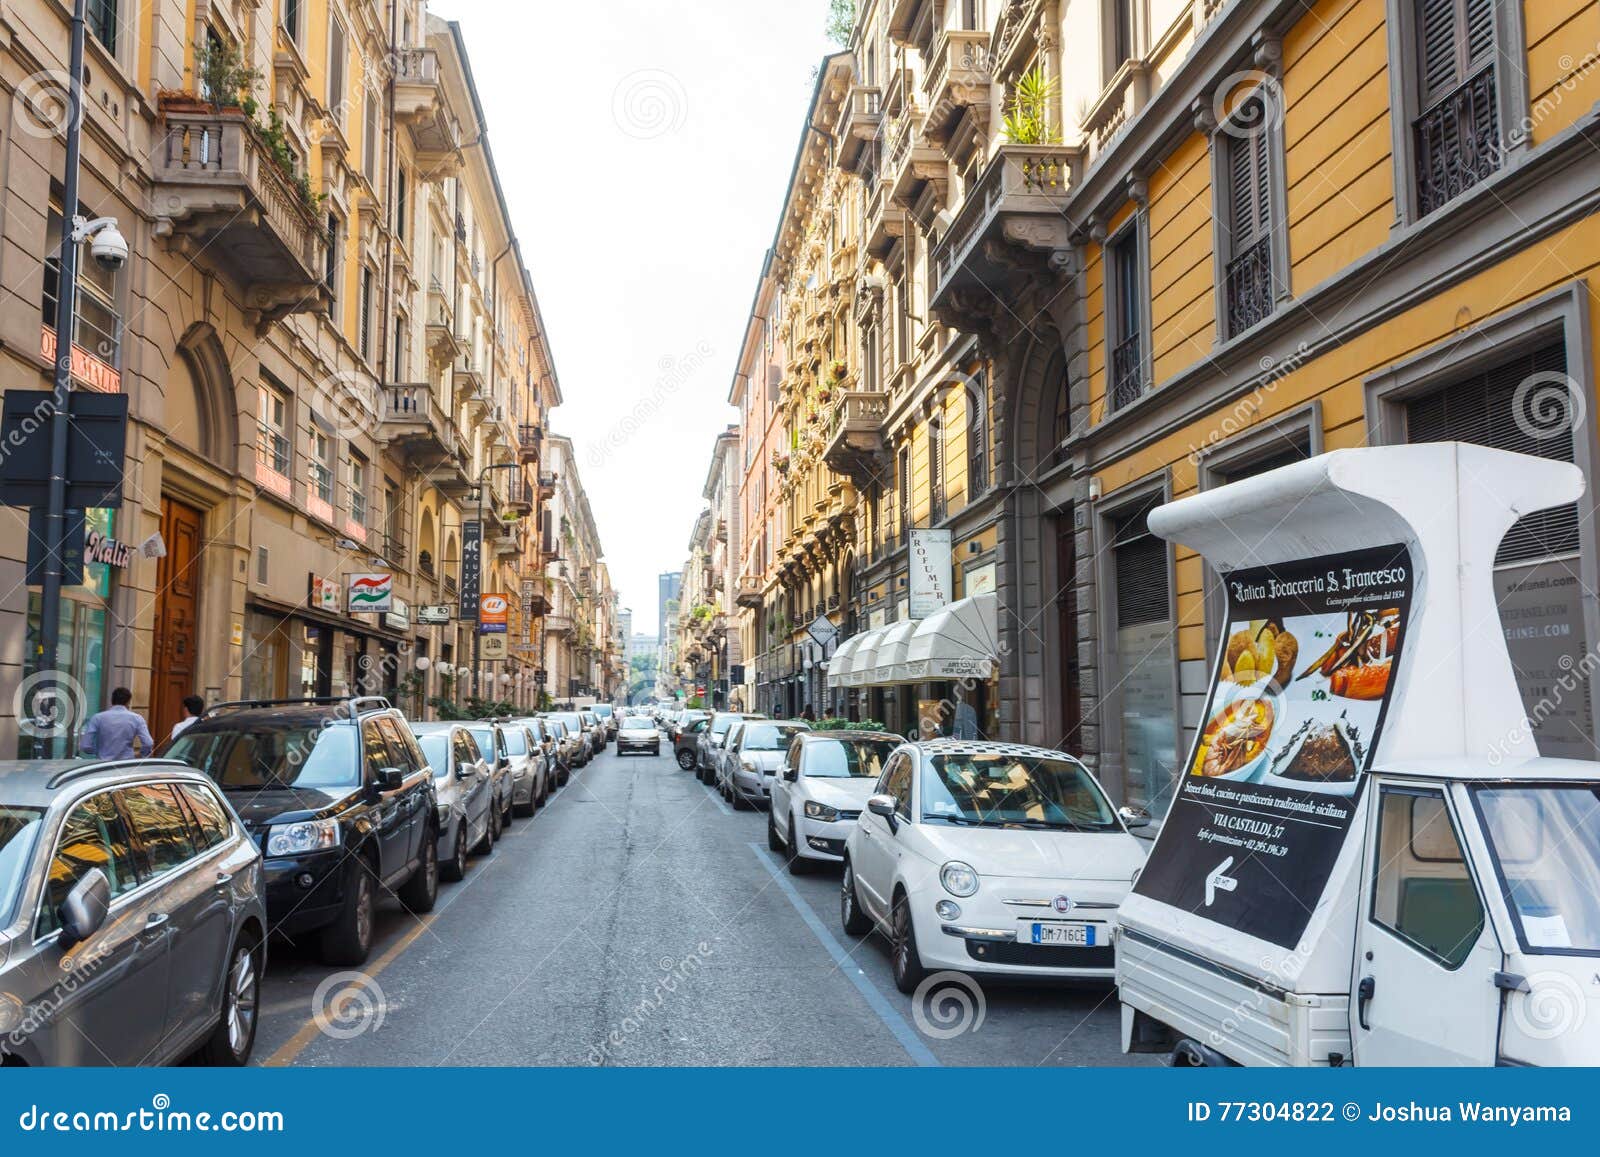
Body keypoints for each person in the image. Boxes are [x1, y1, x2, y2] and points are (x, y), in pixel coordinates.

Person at [78, 687, 155, 761]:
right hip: (126, 764)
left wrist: (99, 752)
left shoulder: (97, 718)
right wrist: (140, 754)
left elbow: (85, 746)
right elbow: (148, 743)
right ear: (128, 702)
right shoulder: (137, 718)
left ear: (112, 700)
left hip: (102, 765)